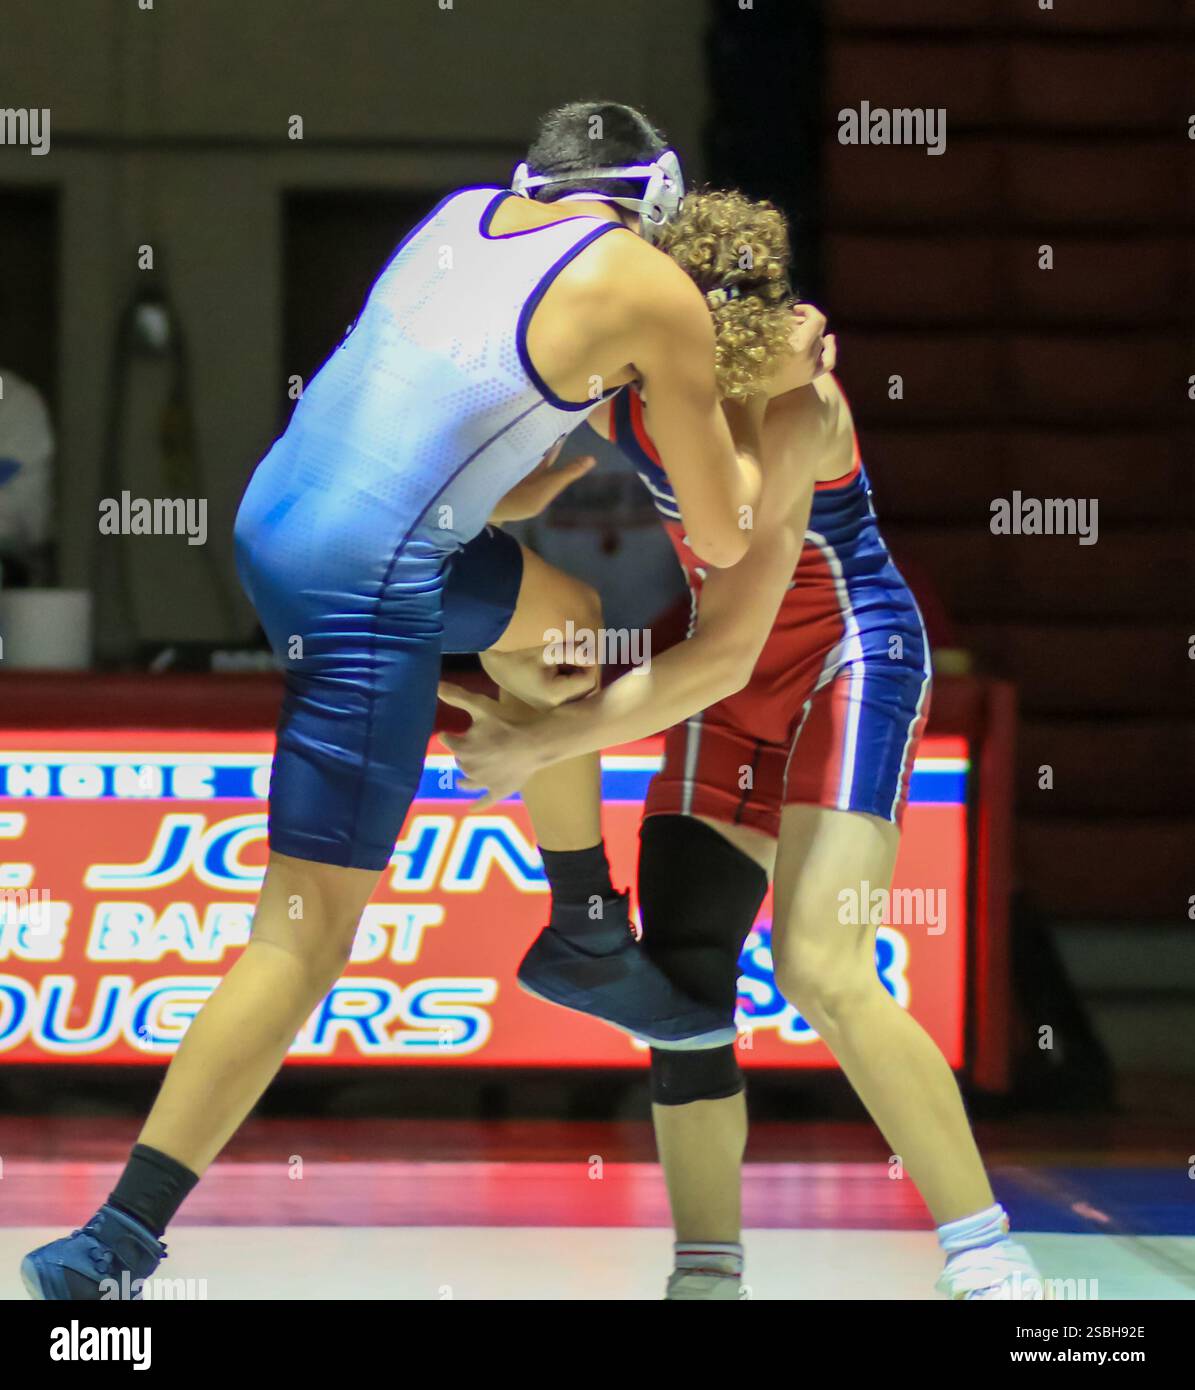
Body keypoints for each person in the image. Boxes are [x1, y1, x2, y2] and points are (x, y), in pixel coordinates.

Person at [21, 103, 805, 1302]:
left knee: (562, 626)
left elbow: (431, 434)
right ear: (655, 203)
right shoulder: (653, 287)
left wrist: (523, 475)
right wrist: (775, 431)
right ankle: (117, 1241)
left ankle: (588, 924)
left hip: (279, 522)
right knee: (304, 934)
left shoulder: (459, 219)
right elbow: (717, 527)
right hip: (372, 577)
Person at [441, 189, 1043, 1302]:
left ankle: (983, 1248)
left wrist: (547, 743)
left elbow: (725, 652)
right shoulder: (626, 391)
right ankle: (706, 1271)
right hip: (725, 656)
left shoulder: (799, 403)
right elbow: (522, 479)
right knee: (683, 991)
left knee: (822, 966)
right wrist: (445, 516)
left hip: (841, 656)